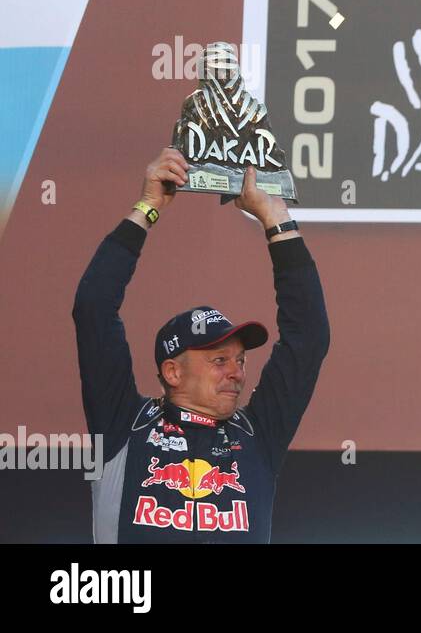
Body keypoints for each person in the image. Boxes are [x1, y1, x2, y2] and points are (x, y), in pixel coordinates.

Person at [73, 148, 329, 543]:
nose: (237, 372)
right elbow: (93, 309)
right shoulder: (123, 424)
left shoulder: (258, 434)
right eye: (219, 359)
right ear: (172, 371)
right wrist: (148, 207)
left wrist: (275, 218)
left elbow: (308, 335)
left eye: (241, 360)